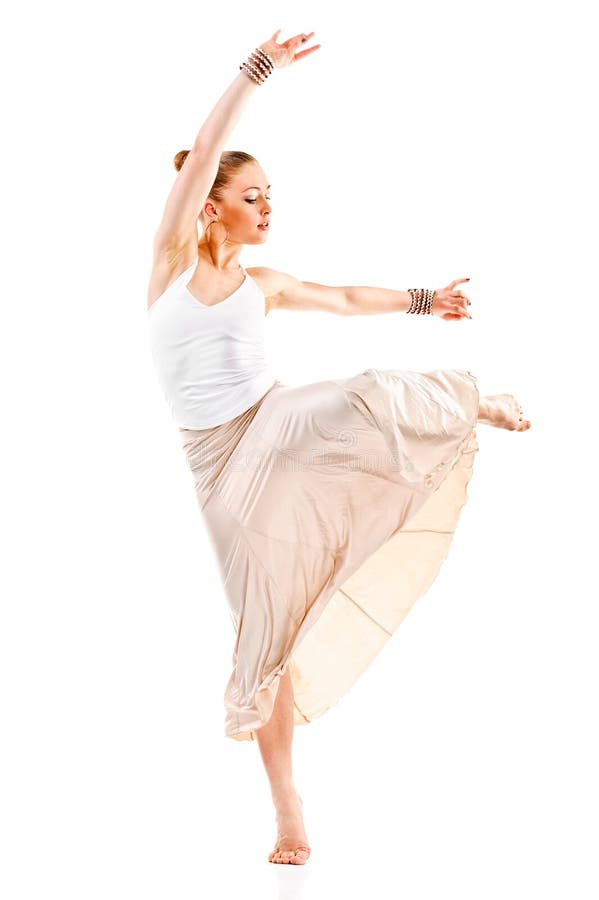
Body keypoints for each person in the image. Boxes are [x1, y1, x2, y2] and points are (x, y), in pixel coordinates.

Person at [146, 29, 531, 866]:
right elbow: (205, 150)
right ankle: (287, 807)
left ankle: (469, 404)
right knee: (266, 633)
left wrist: (424, 299)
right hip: (215, 470)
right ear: (208, 205)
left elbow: (347, 298)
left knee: (357, 391)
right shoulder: (171, 264)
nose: (267, 207)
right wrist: (257, 71)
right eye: (252, 196)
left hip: (272, 421)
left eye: (270, 196)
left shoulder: (264, 284)